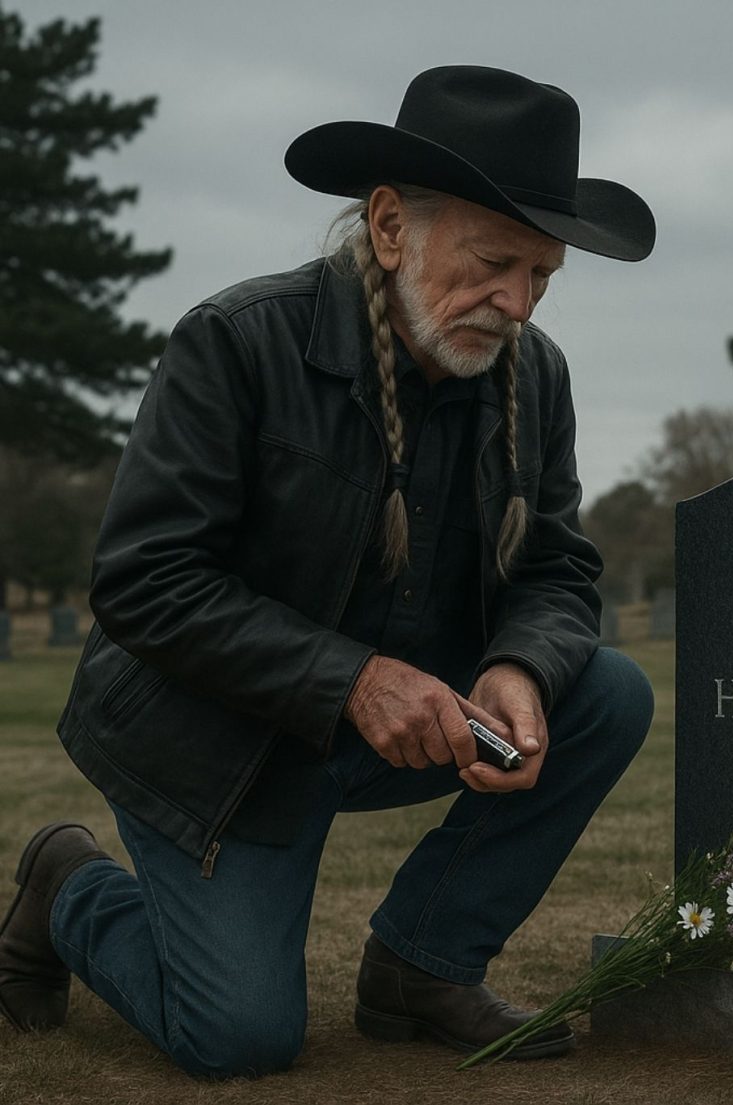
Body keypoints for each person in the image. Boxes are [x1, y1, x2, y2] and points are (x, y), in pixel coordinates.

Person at [0, 65, 656, 1078]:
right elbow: (143, 580)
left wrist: (519, 667)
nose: (518, 304)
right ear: (390, 226)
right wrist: (351, 679)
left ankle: (421, 964)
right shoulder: (235, 343)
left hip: (402, 723)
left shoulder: (537, 375)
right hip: (218, 743)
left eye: (542, 275)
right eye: (493, 264)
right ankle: (66, 885)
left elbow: (560, 572)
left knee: (602, 691)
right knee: (240, 1037)